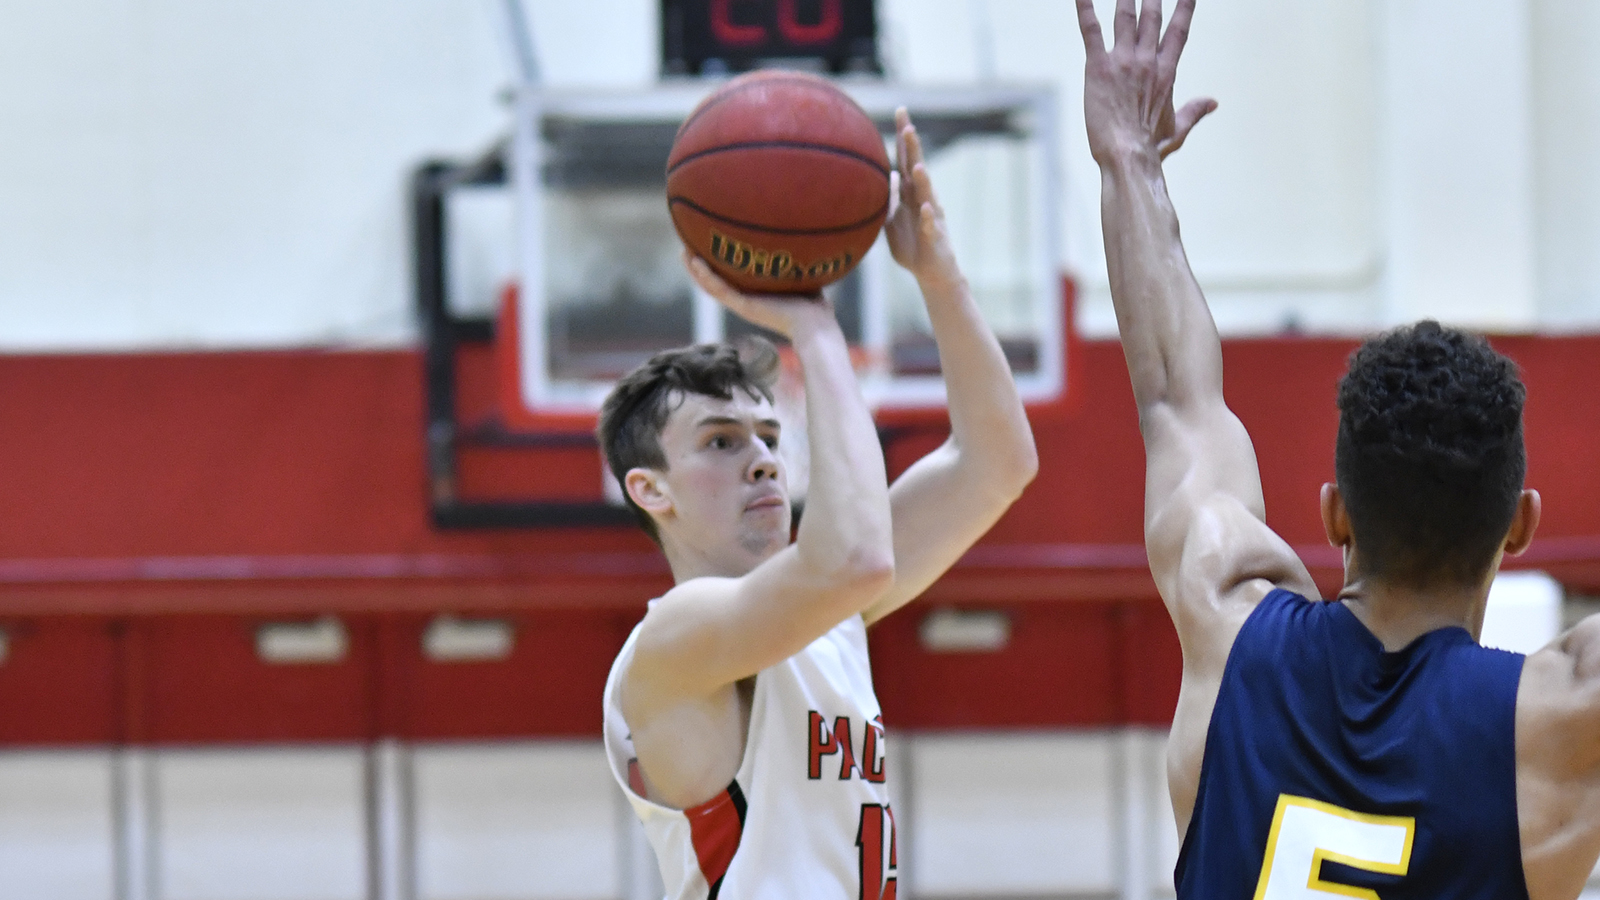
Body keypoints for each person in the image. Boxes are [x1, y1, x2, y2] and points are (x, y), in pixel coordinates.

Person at [1075, 1, 1600, 897]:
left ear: (1334, 510)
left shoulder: (1227, 623)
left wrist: (1130, 164)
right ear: (1520, 528)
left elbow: (1174, 398)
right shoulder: (1559, 720)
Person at [597, 108, 1038, 898]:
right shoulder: (673, 639)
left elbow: (997, 463)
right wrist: (815, 327)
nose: (764, 460)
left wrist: (940, 279)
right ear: (649, 490)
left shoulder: (824, 615)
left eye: (770, 436)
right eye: (723, 442)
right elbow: (859, 557)